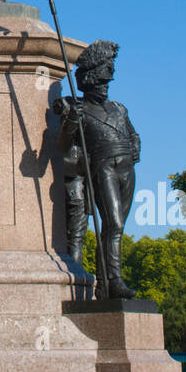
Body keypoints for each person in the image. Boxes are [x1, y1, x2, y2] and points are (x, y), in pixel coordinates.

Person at [56, 40, 140, 299]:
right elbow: (62, 146)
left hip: (126, 168)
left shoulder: (119, 109)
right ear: (89, 82)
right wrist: (71, 121)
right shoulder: (77, 109)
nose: (105, 88)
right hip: (102, 167)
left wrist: (135, 145)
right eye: (101, 83)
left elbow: (133, 134)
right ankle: (114, 280)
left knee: (118, 227)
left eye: (107, 84)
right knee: (112, 224)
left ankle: (105, 283)